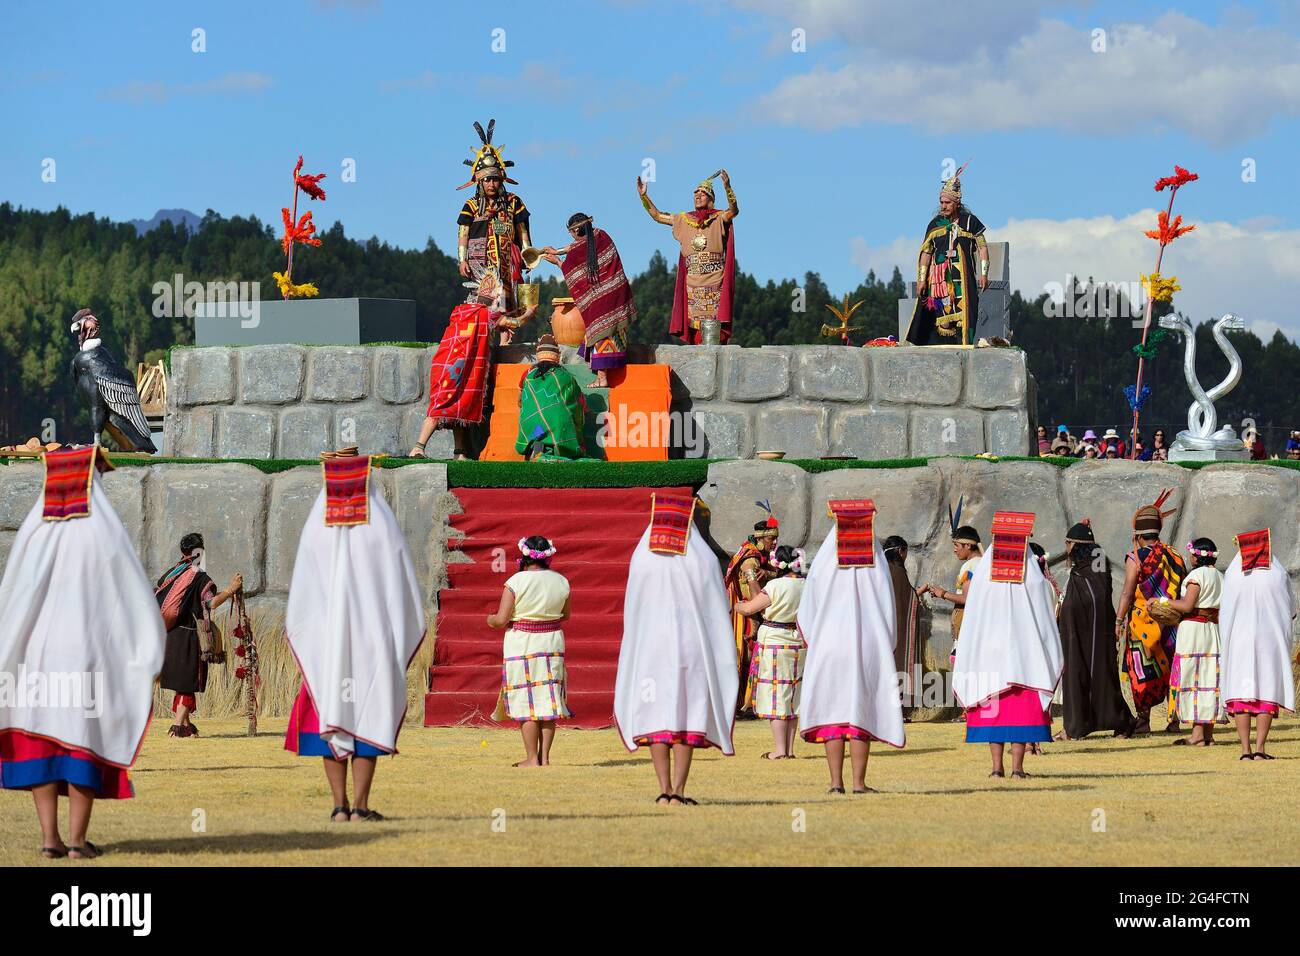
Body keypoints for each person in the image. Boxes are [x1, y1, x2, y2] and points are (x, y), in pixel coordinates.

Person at [0, 446, 164, 859]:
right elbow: (133, 596)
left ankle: (49, 840)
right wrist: (146, 651)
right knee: (81, 740)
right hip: (87, 655)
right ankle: (76, 842)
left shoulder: (34, 534)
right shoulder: (103, 533)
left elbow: (13, 598)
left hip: (39, 657)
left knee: (45, 741)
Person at [284, 449, 426, 822]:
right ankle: (361, 806)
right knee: (369, 714)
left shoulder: (317, 526)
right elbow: (401, 583)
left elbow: (304, 590)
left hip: (328, 645)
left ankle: (339, 807)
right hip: (371, 643)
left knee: (332, 713)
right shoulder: (380, 522)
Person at [614, 493, 737, 805]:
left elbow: (633, 606)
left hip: (653, 649)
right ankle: (680, 791)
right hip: (691, 649)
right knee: (687, 714)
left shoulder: (642, 557)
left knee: (658, 714)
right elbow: (717, 605)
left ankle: (664, 789)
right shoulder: (702, 558)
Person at [797, 500, 906, 793]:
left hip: (829, 645)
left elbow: (809, 605)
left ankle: (835, 784)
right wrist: (886, 643)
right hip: (868, 645)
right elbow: (887, 606)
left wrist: (815, 636)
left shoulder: (823, 560)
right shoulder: (876, 559)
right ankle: (859, 783)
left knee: (833, 710)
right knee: (861, 708)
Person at [952, 511, 1063, 778]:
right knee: (1020, 716)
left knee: (996, 716)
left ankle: (996, 768)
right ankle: (1017, 768)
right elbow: (1043, 621)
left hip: (990, 657)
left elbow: (974, 621)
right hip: (1024, 660)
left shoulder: (983, 578)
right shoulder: (1033, 579)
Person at [487, 535, 571, 767]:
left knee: (527, 700)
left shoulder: (516, 582)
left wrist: (490, 620)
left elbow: (502, 618)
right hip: (552, 642)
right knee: (549, 698)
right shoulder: (561, 581)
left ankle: (532, 758)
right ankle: (544, 758)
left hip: (522, 643)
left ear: (524, 556)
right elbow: (566, 615)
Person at [155, 533, 242, 738]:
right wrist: (231, 589)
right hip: (189, 638)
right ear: (200, 552)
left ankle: (187, 726)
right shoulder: (200, 577)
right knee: (188, 683)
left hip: (171, 635)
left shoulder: (172, 574)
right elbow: (210, 603)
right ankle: (177, 728)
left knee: (182, 684)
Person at [1220, 530, 1296, 760]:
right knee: (1266, 691)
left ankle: (1245, 750)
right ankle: (1261, 749)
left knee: (1241, 693)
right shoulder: (1277, 574)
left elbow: (1226, 610)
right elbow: (1290, 608)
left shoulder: (1233, 574)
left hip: (1240, 641)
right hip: (1269, 641)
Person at [637, 171, 738, 344]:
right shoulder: (683, 219)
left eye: (703, 193)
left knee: (714, 334)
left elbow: (734, 210)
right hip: (692, 283)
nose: (698, 195)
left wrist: (727, 187)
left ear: (711, 198)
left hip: (715, 282)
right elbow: (657, 216)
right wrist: (644, 196)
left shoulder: (719, 217)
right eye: (696, 193)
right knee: (695, 331)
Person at [1055, 521, 1135, 739]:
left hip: (1095, 632)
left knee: (1103, 677)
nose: (1066, 547)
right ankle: (1076, 726)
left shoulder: (1096, 560)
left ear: (1075, 544)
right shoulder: (1084, 566)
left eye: (1068, 542)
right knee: (1078, 675)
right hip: (1079, 632)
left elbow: (1098, 593)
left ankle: (1121, 722)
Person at [1115, 489, 1186, 735]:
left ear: (1138, 533)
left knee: (1141, 670)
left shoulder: (1135, 556)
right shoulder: (1175, 555)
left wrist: (1118, 620)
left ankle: (1143, 721)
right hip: (1171, 623)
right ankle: (1174, 720)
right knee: (1170, 670)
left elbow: (1127, 592)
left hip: (1141, 625)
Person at [541, 213, 636, 388]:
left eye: (571, 232)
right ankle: (605, 374)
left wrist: (557, 261)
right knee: (611, 332)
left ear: (575, 229)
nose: (571, 236)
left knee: (599, 333)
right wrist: (558, 251)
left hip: (600, 300)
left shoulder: (578, 250)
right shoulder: (602, 235)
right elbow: (579, 245)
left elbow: (574, 271)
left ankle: (602, 378)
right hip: (615, 292)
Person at [731, 545, 806, 760]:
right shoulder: (807, 585)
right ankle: (789, 750)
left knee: (777, 695)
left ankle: (780, 750)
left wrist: (734, 605)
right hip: (798, 642)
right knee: (793, 696)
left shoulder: (775, 586)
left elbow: (750, 609)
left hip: (775, 642)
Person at [905, 163, 990, 346]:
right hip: (939, 282)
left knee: (967, 314)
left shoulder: (970, 222)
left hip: (964, 281)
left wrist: (984, 273)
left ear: (957, 202)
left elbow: (982, 246)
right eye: (941, 202)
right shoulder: (935, 224)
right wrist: (921, 280)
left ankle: (965, 347)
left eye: (947, 203)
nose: (943, 206)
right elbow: (926, 252)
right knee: (938, 316)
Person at [455, 119, 531, 315]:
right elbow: (463, 233)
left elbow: (523, 232)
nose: (491, 184)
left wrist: (528, 254)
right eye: (487, 179)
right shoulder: (471, 206)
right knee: (483, 308)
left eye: (495, 179)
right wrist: (462, 259)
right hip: (481, 265)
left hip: (508, 262)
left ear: (501, 180)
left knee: (510, 306)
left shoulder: (514, 202)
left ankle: (506, 342)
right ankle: (486, 341)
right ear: (480, 181)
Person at [1162, 538, 1224, 746]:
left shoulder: (1196, 576)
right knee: (1210, 678)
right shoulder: (1220, 576)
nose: (1190, 557)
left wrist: (1162, 601)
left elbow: (1188, 606)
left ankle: (1197, 736)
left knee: (1194, 678)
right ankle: (1208, 735)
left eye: (1192, 554)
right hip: (1213, 630)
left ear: (1197, 556)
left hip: (1194, 633)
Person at [724, 502, 780, 713]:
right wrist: (764, 615)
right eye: (770, 538)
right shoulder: (750, 561)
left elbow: (770, 572)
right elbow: (755, 591)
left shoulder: (753, 553)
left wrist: (770, 574)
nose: (774, 542)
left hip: (744, 609)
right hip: (743, 612)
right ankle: (740, 703)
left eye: (775, 538)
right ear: (759, 538)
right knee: (743, 654)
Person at [514, 335, 588, 461]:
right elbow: (580, 402)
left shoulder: (528, 374)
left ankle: (536, 449)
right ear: (557, 356)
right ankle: (557, 450)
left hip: (533, 426)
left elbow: (521, 401)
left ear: (538, 354)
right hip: (558, 426)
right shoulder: (566, 376)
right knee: (562, 417)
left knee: (537, 422)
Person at [923, 518, 982, 665]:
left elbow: (966, 599)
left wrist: (942, 593)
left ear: (967, 545)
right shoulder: (984, 563)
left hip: (967, 627)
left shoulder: (969, 567)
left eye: (956, 545)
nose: (954, 549)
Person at [883, 535, 923, 716]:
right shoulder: (897, 571)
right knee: (898, 662)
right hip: (896, 630)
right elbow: (907, 598)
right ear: (900, 551)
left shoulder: (881, 569)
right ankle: (898, 711)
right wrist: (919, 593)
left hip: (881, 629)